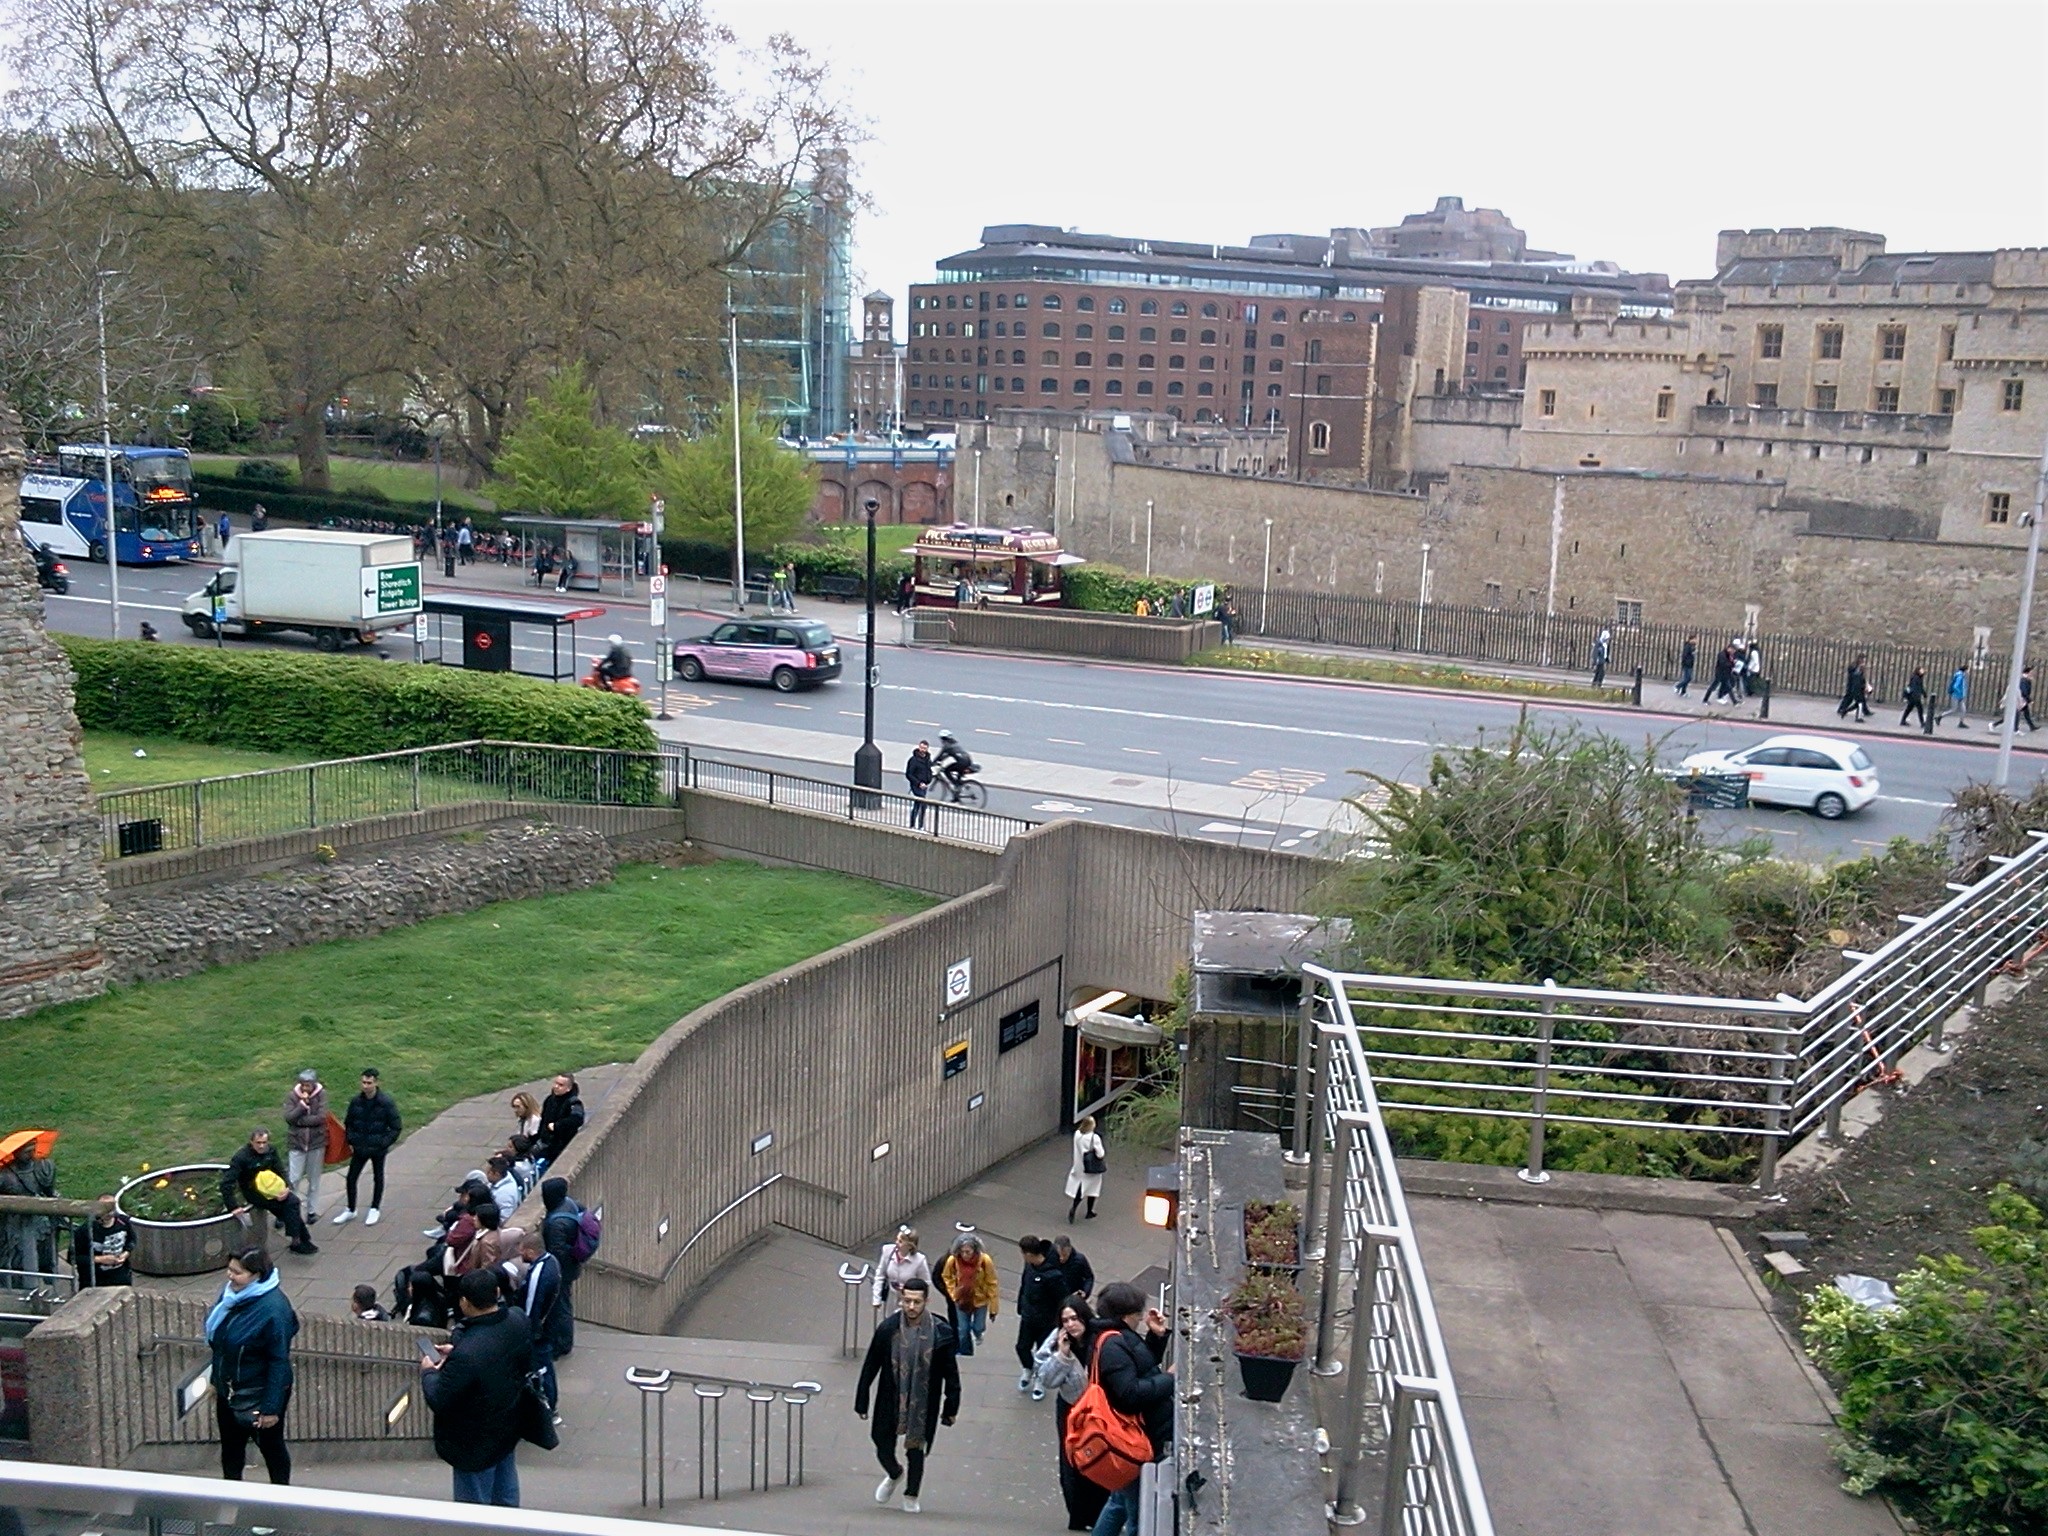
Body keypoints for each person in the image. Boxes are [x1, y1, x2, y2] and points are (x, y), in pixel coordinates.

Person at [422, 1268, 536, 1507]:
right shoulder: (517, 1319)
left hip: (474, 1442)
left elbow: (440, 1398)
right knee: (505, 1491)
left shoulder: (468, 1353)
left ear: (464, 1302)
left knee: (473, 1505)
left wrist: (429, 1372)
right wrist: (458, 1351)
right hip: (508, 1424)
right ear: (496, 1292)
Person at [854, 1277, 960, 1515]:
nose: (911, 1307)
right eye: (907, 1301)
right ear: (901, 1300)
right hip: (891, 1395)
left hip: (924, 1400)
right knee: (880, 1441)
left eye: (917, 1302)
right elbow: (871, 1365)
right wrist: (862, 1399)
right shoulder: (888, 1329)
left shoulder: (941, 1333)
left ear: (926, 1301)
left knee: (916, 1448)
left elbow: (950, 1373)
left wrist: (951, 1407)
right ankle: (894, 1472)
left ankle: (911, 1493)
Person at [1087, 1282, 1174, 1536]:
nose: (1139, 1318)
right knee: (1138, 1514)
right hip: (1132, 1440)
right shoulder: (1114, 1345)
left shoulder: (1117, 1336)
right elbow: (1130, 1394)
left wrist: (1156, 1336)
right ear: (1125, 1316)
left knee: (1120, 1501)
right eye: (1138, 1315)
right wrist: (1169, 1379)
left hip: (1130, 1437)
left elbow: (1141, 1365)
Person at [207, 1246, 298, 1485]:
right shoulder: (231, 1297)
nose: (230, 1276)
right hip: (229, 1388)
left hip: (257, 1393)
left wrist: (270, 1408)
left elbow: (278, 1360)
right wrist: (216, 1381)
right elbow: (221, 1346)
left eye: (237, 1272)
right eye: (229, 1270)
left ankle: (280, 1497)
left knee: (271, 1447)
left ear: (256, 1274)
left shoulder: (273, 1309)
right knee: (231, 1448)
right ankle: (232, 1497)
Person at [1033, 1296, 1108, 1532]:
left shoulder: (1099, 1337)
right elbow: (1046, 1378)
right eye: (1066, 1320)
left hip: (1100, 1410)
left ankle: (1099, 1513)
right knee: (1072, 1463)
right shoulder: (1057, 1341)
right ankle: (1078, 1515)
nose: (1071, 1324)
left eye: (1075, 1318)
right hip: (1071, 1409)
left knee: (1100, 1456)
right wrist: (1063, 1356)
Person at [220, 1130, 318, 1255]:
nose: (261, 1146)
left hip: (273, 1188)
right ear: (251, 1142)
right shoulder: (241, 1158)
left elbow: (280, 1169)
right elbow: (226, 1183)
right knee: (290, 1206)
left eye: (264, 1142)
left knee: (292, 1203)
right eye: (258, 1143)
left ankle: (299, 1240)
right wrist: (233, 1206)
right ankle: (299, 1241)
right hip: (255, 1193)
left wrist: (286, 1186)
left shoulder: (271, 1151)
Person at [335, 1068, 400, 1227]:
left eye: (369, 1083)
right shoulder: (356, 1101)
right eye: (363, 1082)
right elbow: (349, 1122)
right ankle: (351, 1209)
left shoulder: (386, 1103)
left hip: (377, 1148)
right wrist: (352, 1139)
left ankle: (374, 1208)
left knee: (378, 1177)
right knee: (351, 1178)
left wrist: (383, 1143)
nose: (365, 1086)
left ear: (376, 1083)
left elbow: (396, 1127)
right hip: (360, 1147)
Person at [518, 1229, 567, 1411]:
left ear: (531, 1252)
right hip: (551, 1325)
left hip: (540, 1331)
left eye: (522, 1251)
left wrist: (528, 1332)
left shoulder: (539, 1273)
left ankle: (549, 1407)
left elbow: (531, 1306)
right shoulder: (551, 1261)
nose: (520, 1254)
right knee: (545, 1366)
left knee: (542, 1367)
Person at [1014, 1236, 1068, 1397]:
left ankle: (1040, 1379)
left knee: (1043, 1352)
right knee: (1022, 1347)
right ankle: (1029, 1369)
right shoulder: (1029, 1266)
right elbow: (1024, 1286)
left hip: (1046, 1321)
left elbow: (1062, 1298)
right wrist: (1021, 1306)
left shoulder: (1053, 1275)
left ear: (1029, 1254)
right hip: (1028, 1317)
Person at [539, 1177, 585, 1357]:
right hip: (570, 1267)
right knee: (562, 1304)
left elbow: (557, 1252)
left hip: (562, 1271)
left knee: (561, 1306)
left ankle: (562, 1344)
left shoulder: (557, 1224)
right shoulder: (569, 1204)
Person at [0, 1142, 57, 1285]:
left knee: (45, 1253)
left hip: (41, 1219)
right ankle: (17, 1286)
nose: (30, 1154)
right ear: (15, 1153)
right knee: (17, 1256)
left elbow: (49, 1192)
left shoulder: (43, 1167)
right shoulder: (5, 1175)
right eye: (26, 1152)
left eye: (32, 1150)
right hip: (15, 1222)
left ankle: (49, 1281)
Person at [938, 1234, 998, 1358]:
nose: (965, 1255)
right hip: (962, 1299)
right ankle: (965, 1352)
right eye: (962, 1251)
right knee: (963, 1329)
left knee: (979, 1326)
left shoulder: (985, 1261)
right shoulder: (953, 1260)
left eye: (968, 1252)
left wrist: (994, 1307)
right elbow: (946, 1276)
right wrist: (953, 1293)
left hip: (980, 1299)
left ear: (975, 1250)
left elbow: (992, 1283)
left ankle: (978, 1333)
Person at [282, 1069, 328, 1223]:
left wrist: (300, 1121)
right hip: (297, 1144)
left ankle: (311, 1211)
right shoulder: (292, 1096)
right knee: (293, 1179)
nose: (305, 1088)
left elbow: (321, 1118)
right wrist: (301, 1106)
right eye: (303, 1085)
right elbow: (289, 1117)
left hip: (316, 1144)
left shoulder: (321, 1095)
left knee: (313, 1180)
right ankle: (289, 1211)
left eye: (308, 1085)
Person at [72, 1194, 134, 1289]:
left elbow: (132, 1240)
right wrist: (100, 1259)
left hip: (121, 1277)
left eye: (111, 1209)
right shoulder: (85, 1230)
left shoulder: (124, 1222)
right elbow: (73, 1257)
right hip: (94, 1280)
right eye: (104, 1209)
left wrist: (126, 1253)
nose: (109, 1213)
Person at [873, 1225, 933, 1312]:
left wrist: (917, 1301)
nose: (896, 1243)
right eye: (897, 1239)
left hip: (909, 1302)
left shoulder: (919, 1260)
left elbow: (925, 1283)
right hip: (892, 1299)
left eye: (900, 1241)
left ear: (910, 1246)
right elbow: (880, 1275)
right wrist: (876, 1298)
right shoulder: (888, 1251)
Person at [533, 1076, 584, 1171]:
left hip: (560, 1144)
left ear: (568, 1088)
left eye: (560, 1085)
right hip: (546, 1142)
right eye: (555, 1083)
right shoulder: (549, 1100)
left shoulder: (573, 1103)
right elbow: (543, 1120)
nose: (556, 1086)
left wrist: (557, 1126)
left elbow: (577, 1119)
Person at [1067, 1114, 1106, 1223]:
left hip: (1079, 1166)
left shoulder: (1077, 1134)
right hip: (1091, 1168)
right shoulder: (1094, 1138)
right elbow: (1100, 1154)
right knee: (1092, 1189)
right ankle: (1089, 1211)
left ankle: (1074, 1207)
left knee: (1080, 1188)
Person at [1053, 1236, 1094, 1300]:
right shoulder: (1050, 1259)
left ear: (1070, 1250)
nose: (1061, 1258)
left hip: (1072, 1296)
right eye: (1059, 1255)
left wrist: (1085, 1291)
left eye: (1065, 1255)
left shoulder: (1079, 1260)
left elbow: (1089, 1277)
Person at [905, 741, 935, 830]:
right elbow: (909, 774)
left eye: (925, 748)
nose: (923, 750)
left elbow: (929, 771)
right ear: (919, 747)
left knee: (917, 805)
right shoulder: (913, 760)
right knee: (922, 803)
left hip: (924, 785)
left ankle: (915, 825)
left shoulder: (928, 760)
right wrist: (918, 783)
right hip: (916, 785)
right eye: (921, 748)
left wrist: (928, 781)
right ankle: (917, 825)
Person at [485, 1155, 522, 1223]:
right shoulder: (504, 1176)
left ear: (496, 1174)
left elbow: (504, 1218)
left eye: (488, 1173)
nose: (486, 1175)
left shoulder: (504, 1195)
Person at [1947, 663, 1971, 729]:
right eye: (1968, 670)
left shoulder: (1961, 675)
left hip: (1960, 696)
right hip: (1957, 696)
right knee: (1953, 710)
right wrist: (1960, 693)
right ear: (1966, 670)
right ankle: (1939, 717)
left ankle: (1961, 723)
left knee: (1963, 709)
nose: (1969, 671)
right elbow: (1956, 686)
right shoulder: (1960, 676)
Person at [2018, 665, 2037, 733]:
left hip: (2022, 700)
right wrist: (2029, 700)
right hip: (2020, 700)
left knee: (2026, 714)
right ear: (2027, 673)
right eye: (2031, 673)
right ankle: (1994, 725)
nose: (2033, 674)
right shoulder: (2023, 680)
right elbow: (2023, 691)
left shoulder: (2026, 680)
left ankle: (2032, 726)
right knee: (2014, 715)